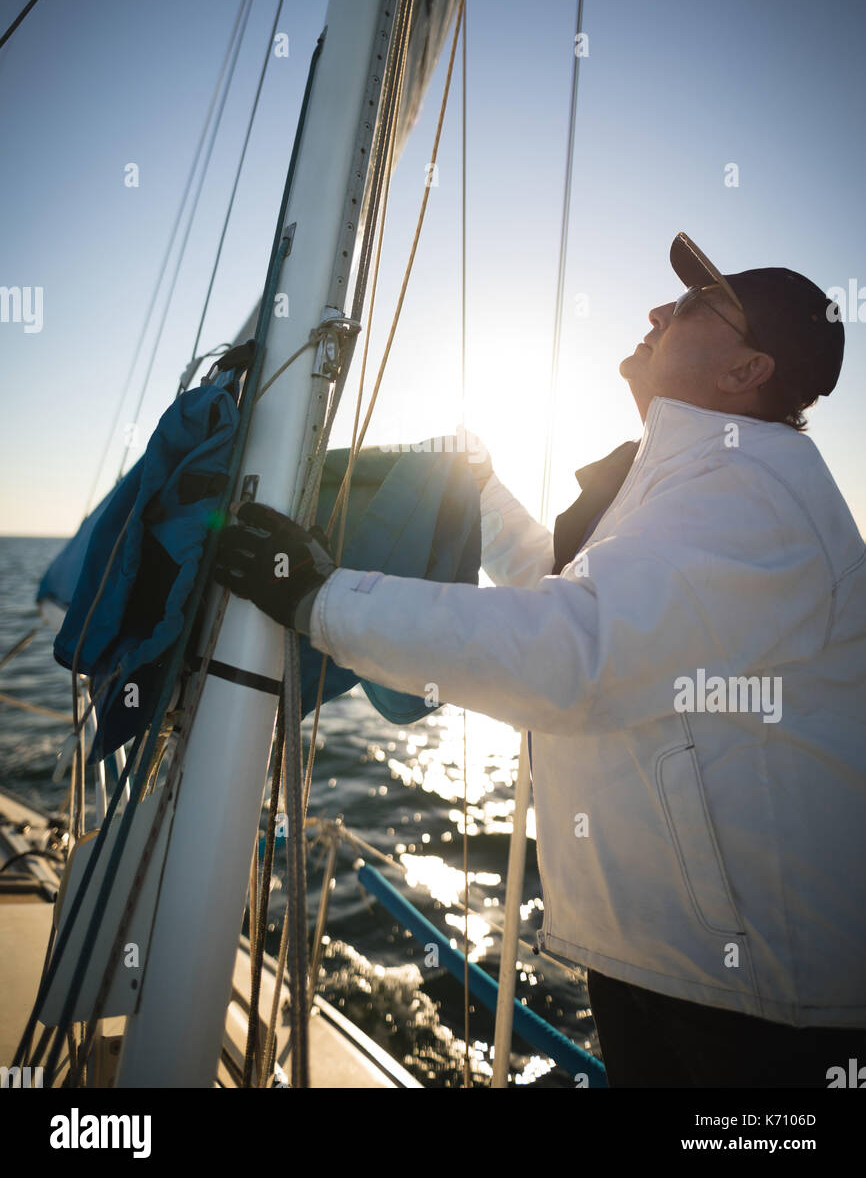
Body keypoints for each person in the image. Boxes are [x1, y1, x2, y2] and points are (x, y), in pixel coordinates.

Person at [215, 232, 866, 1088]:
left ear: (747, 371)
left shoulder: (755, 488)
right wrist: (480, 491)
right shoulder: (684, 481)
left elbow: (572, 652)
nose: (659, 310)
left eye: (699, 305)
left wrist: (319, 598)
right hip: (685, 963)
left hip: (757, 1006)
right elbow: (569, 595)